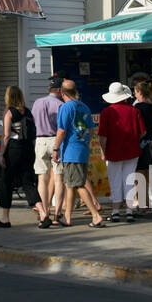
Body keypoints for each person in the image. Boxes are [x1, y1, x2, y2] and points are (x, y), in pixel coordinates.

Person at [52, 80, 105, 228]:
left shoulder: (65, 107)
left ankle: (95, 215)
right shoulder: (85, 107)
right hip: (82, 149)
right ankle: (67, 217)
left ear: (62, 93)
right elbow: (91, 130)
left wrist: (55, 149)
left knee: (79, 185)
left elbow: (61, 131)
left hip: (71, 151)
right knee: (70, 185)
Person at [0, 86, 50, 229]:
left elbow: (6, 135)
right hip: (28, 149)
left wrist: (1, 153)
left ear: (8, 97)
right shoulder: (28, 111)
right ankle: (43, 213)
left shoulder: (9, 112)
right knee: (28, 183)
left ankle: (5, 218)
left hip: (13, 149)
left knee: (7, 182)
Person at [98, 81, 145, 223]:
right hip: (132, 150)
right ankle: (129, 211)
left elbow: (102, 136)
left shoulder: (107, 112)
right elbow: (142, 132)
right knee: (129, 180)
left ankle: (116, 211)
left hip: (113, 151)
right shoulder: (134, 111)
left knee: (115, 181)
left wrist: (103, 151)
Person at [31, 75, 66, 224]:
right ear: (59, 90)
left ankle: (44, 212)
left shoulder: (37, 102)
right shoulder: (60, 105)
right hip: (55, 140)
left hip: (40, 141)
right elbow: (62, 127)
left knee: (42, 179)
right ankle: (57, 213)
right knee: (59, 178)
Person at [133, 80, 152, 211]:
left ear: (139, 92)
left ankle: (143, 204)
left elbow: (136, 128)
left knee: (139, 176)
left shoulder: (136, 108)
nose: (134, 95)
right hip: (151, 144)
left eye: (135, 92)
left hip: (139, 144)